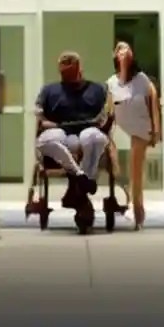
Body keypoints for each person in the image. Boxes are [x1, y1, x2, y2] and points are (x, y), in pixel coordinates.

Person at [34, 51, 111, 212]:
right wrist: (51, 124)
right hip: (59, 131)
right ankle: (81, 177)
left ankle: (81, 185)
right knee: (48, 140)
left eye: (70, 66)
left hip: (88, 132)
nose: (66, 70)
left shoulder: (98, 89)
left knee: (92, 137)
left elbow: (106, 117)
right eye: (64, 67)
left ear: (79, 69)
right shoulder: (49, 90)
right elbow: (40, 118)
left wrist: (104, 122)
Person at [107, 41, 160, 230]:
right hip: (120, 127)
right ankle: (126, 196)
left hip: (140, 127)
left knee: (136, 168)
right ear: (115, 56)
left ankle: (137, 208)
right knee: (114, 163)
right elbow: (108, 110)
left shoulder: (142, 80)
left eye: (127, 48)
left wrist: (156, 130)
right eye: (120, 49)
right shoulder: (112, 82)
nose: (124, 51)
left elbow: (153, 103)